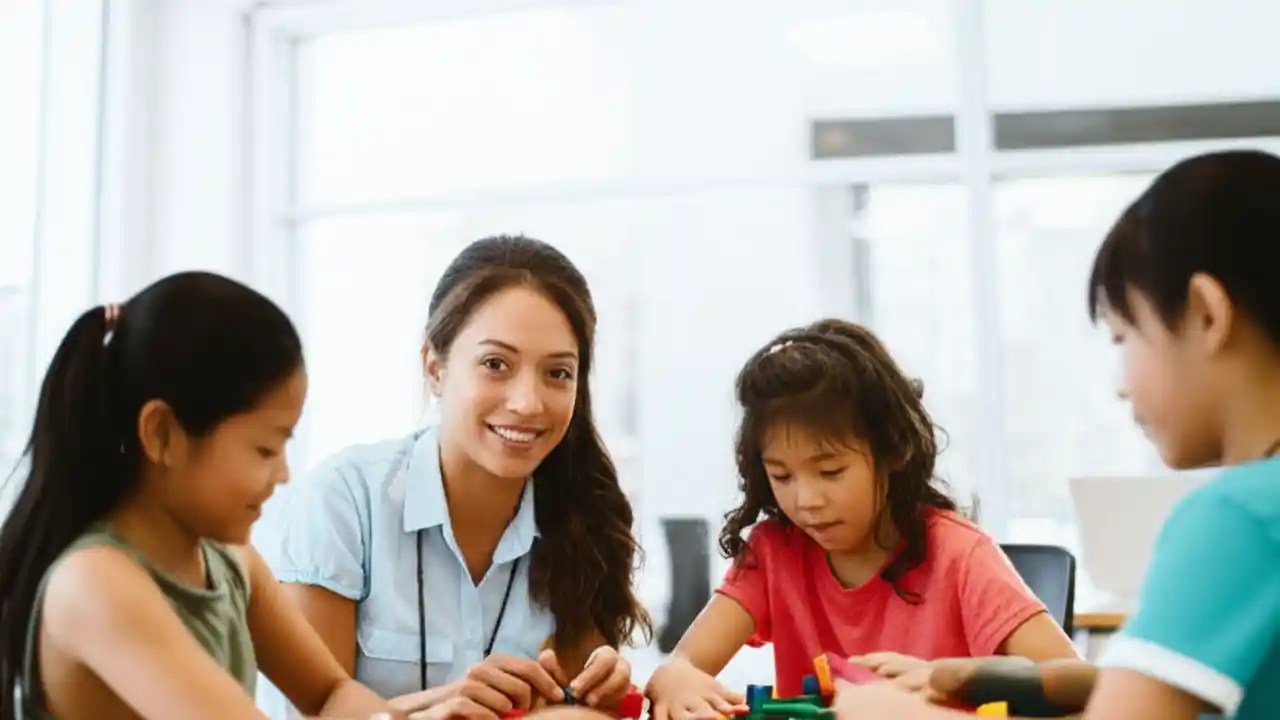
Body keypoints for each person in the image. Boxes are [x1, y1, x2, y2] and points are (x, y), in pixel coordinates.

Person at [835, 150, 1280, 719]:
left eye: (1123, 337)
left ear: (1205, 315)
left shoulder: (1238, 519)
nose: (1121, 388)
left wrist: (891, 713)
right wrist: (987, 677)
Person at [270, 235, 651, 720]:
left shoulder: (581, 517)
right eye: (496, 364)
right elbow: (311, 709)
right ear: (435, 367)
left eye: (558, 373)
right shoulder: (345, 500)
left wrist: (605, 697)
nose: (528, 403)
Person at [0, 272, 398, 719]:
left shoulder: (231, 559)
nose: (283, 473)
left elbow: (331, 694)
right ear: (163, 434)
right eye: (265, 448)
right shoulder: (95, 583)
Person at [644, 319, 1077, 720]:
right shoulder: (774, 552)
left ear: (894, 450)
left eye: (830, 471)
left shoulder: (961, 555)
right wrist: (675, 677)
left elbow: (1074, 683)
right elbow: (683, 663)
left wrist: (950, 678)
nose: (806, 500)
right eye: (781, 475)